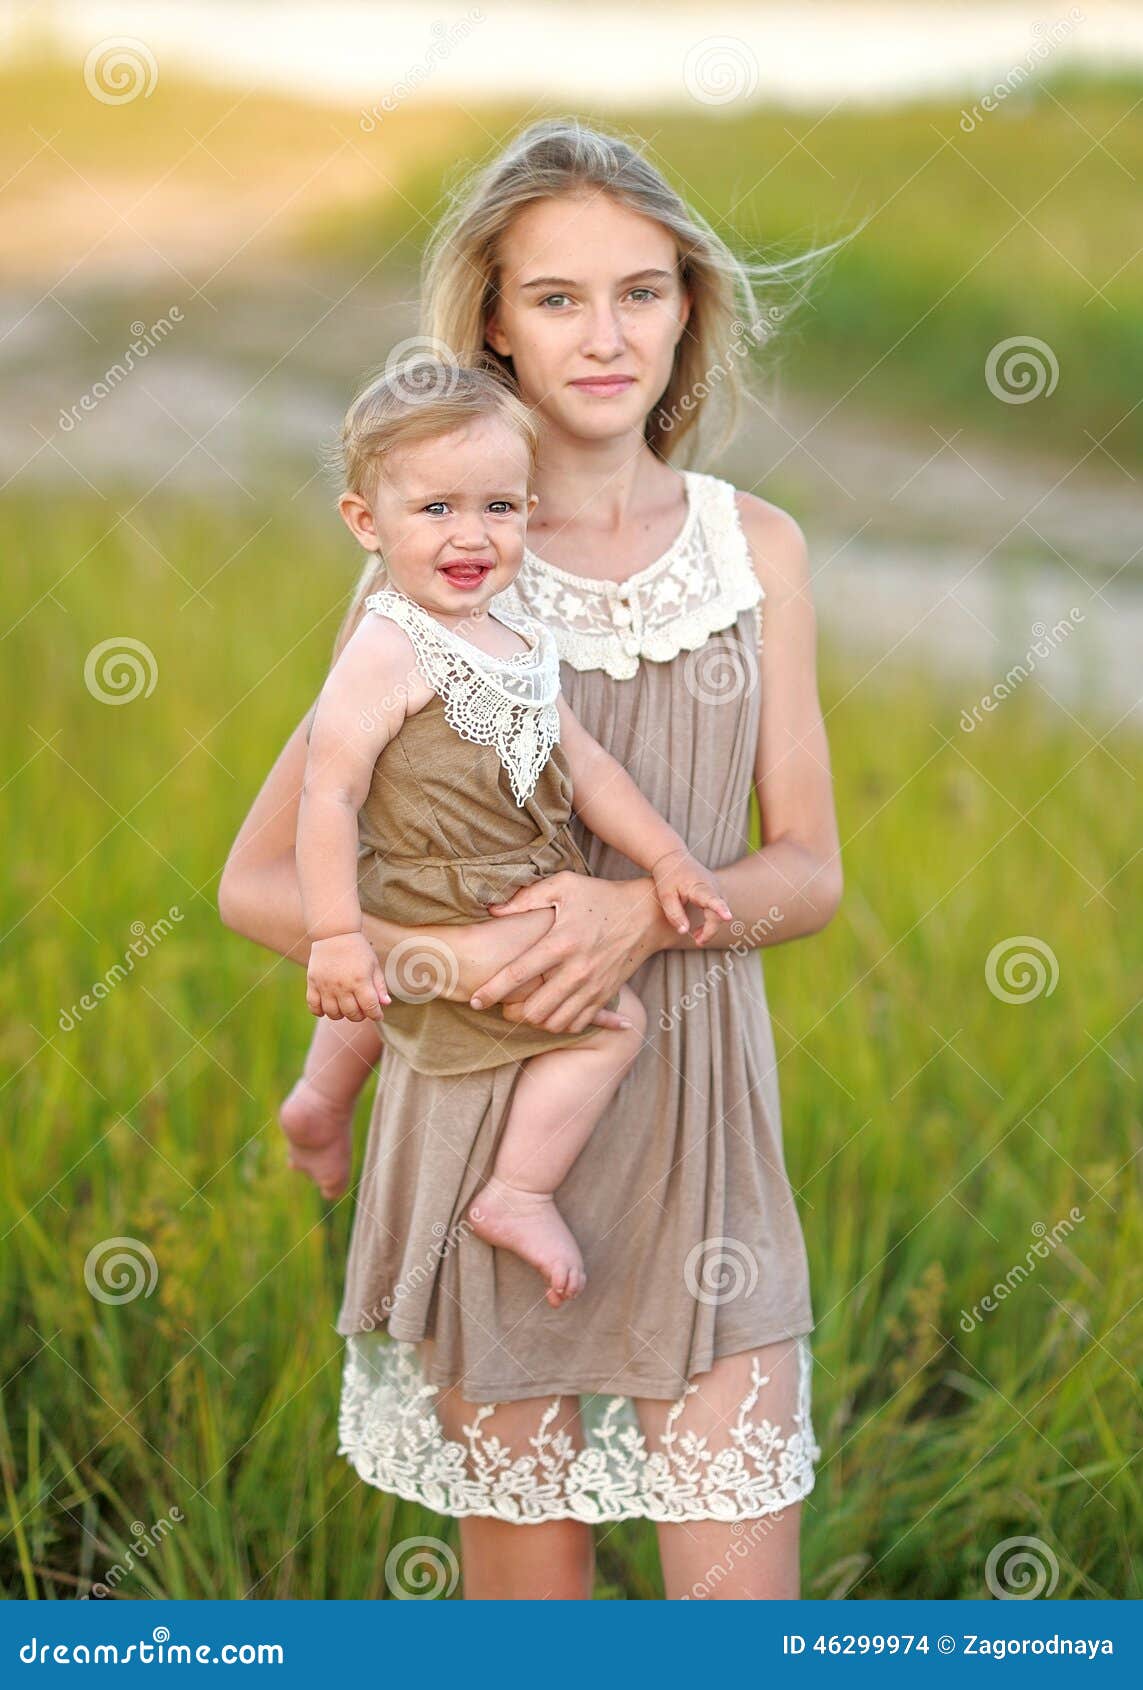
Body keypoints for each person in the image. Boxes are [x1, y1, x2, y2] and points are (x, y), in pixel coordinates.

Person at [218, 116, 843, 1600]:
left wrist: (640, 915)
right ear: (492, 323)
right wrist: (462, 960)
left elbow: (805, 869)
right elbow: (260, 882)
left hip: (699, 1121)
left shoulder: (755, 548)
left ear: (687, 303)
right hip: (493, 1124)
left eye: (640, 289)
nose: (604, 333)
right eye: (555, 297)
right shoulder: (441, 564)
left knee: (735, 1625)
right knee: (532, 1624)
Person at [294, 357, 732, 1307]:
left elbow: (589, 773)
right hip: (436, 889)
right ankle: (517, 1192)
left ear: (528, 513)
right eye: (436, 510)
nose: (472, 534)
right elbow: (325, 796)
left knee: (399, 996)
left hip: (500, 877)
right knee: (612, 1024)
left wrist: (664, 857)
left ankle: (317, 1099)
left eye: (498, 507)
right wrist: (333, 933)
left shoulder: (518, 642)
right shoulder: (385, 648)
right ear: (366, 524)